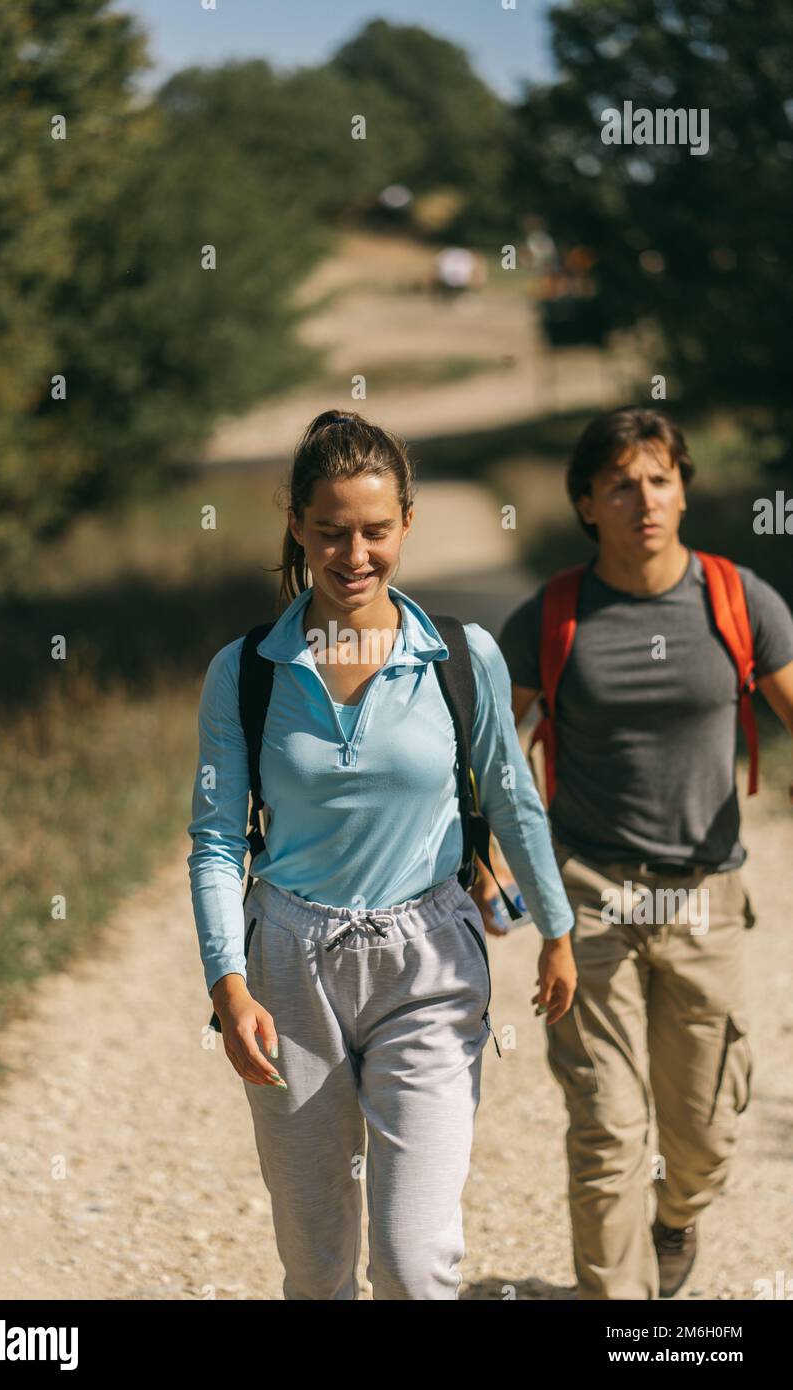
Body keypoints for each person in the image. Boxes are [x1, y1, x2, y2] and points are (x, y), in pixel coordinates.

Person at [186, 408, 576, 1301]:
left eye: (375, 531)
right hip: (287, 967)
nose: (354, 555)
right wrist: (227, 980)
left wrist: (555, 926)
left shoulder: (460, 658)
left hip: (430, 960)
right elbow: (214, 837)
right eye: (330, 533)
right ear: (296, 525)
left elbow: (512, 796)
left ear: (406, 523)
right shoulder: (245, 672)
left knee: (412, 1260)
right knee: (317, 1265)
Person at [473, 405, 793, 1300]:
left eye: (660, 479)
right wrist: (488, 858)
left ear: (683, 489)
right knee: (609, 1129)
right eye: (620, 485)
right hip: (590, 896)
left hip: (703, 899)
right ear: (586, 504)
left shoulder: (738, 600)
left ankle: (678, 1216)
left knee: (702, 1136)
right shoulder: (555, 615)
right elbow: (491, 754)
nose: (644, 499)